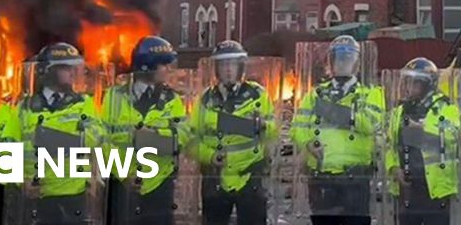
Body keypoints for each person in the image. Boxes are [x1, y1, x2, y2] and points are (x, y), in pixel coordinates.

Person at [5, 42, 105, 225]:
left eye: (73, 68)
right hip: (35, 194)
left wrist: (53, 138)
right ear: (47, 71)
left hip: (73, 194)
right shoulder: (23, 108)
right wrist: (21, 181)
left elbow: (96, 138)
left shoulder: (83, 103)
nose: (72, 73)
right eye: (65, 68)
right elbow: (6, 148)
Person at [290, 35, 385, 225]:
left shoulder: (371, 93)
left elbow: (370, 125)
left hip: (355, 178)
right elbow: (297, 127)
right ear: (331, 63)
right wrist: (308, 142)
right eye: (338, 59)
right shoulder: (315, 94)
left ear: (356, 64)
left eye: (347, 59)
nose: (342, 64)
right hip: (321, 176)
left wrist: (336, 112)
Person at [103, 36, 187, 225]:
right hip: (121, 186)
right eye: (163, 64)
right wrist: (125, 174)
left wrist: (154, 137)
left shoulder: (172, 99)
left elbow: (183, 136)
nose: (168, 69)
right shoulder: (114, 97)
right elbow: (103, 141)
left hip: (160, 185)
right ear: (146, 66)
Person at [190, 40, 276, 225]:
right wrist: (211, 156)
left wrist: (262, 126)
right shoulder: (205, 100)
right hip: (216, 178)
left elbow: (274, 129)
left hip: (250, 177)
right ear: (216, 69)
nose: (228, 69)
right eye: (223, 64)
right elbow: (191, 140)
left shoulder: (257, 94)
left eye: (232, 64)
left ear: (240, 67)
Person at [385, 57, 460, 225]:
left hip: (436, 188)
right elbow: (390, 144)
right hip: (408, 188)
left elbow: (452, 136)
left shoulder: (445, 107)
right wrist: (394, 168)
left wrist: (421, 129)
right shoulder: (399, 111)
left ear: (427, 85)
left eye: (414, 83)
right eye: (407, 82)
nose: (409, 88)